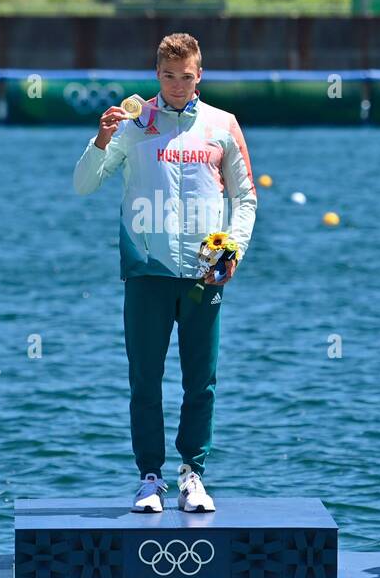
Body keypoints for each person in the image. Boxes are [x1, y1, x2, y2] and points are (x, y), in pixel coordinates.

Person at [74, 33, 257, 514]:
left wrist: (232, 248)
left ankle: (192, 474)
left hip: (204, 275)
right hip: (146, 273)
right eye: (169, 77)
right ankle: (149, 478)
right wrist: (102, 139)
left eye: (187, 76)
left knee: (202, 380)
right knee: (145, 379)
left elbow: (245, 198)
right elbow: (83, 184)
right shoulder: (133, 123)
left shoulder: (223, 125)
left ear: (200, 74)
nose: (178, 85)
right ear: (158, 75)